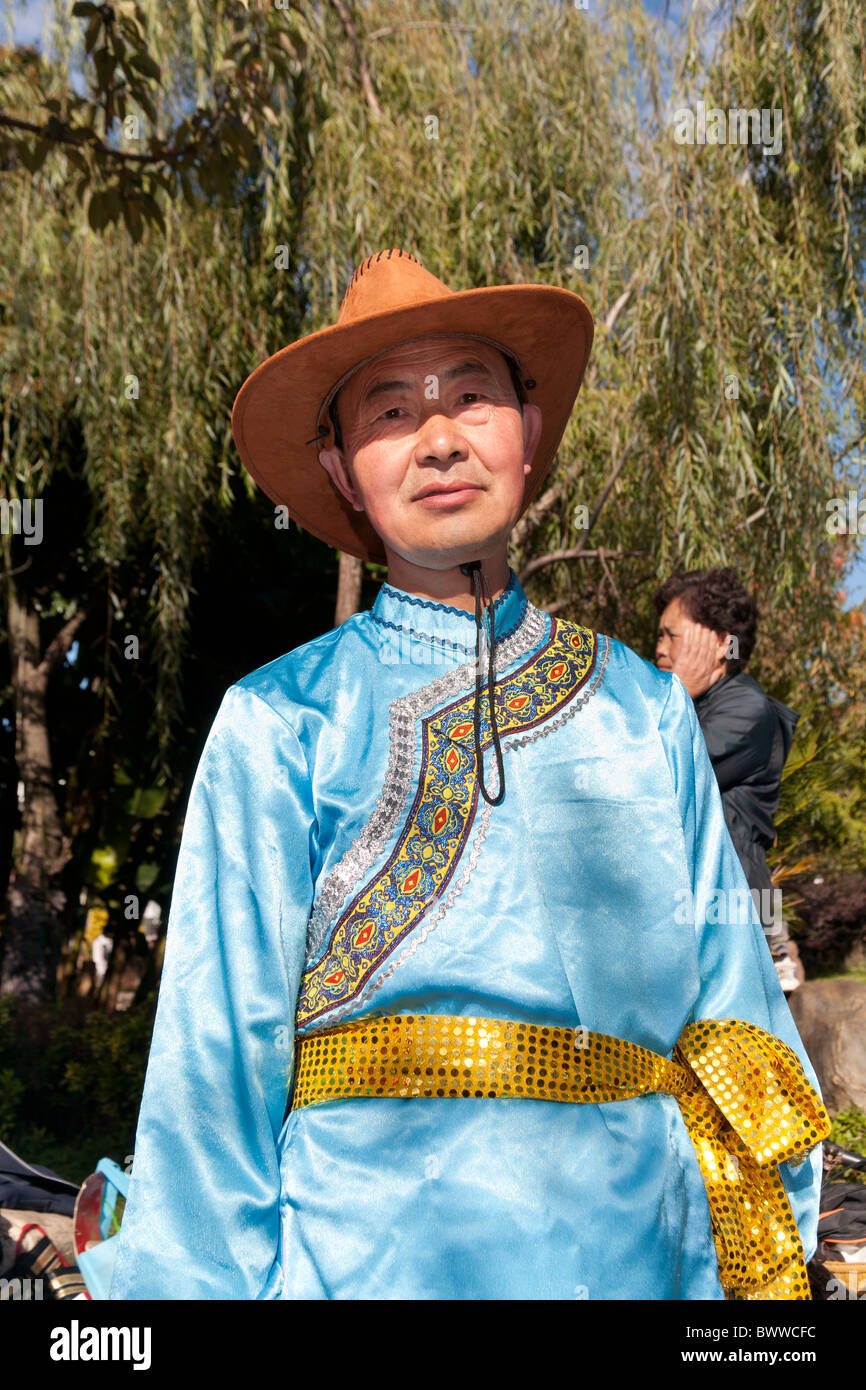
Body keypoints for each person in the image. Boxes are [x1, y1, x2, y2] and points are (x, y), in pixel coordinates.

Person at [109, 249, 827, 1302]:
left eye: (471, 396)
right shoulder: (279, 721)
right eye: (390, 409)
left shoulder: (642, 712)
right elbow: (213, 1072)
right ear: (342, 470)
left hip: (640, 1260)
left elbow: (736, 1023)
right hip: (360, 1268)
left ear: (528, 437)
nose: (438, 436)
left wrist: (757, 1277)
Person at [654, 569, 803, 991]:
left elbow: (662, 775)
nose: (659, 649)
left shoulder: (744, 710)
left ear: (721, 644)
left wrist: (676, 691)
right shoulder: (699, 705)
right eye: (659, 637)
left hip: (731, 929)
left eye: (672, 636)